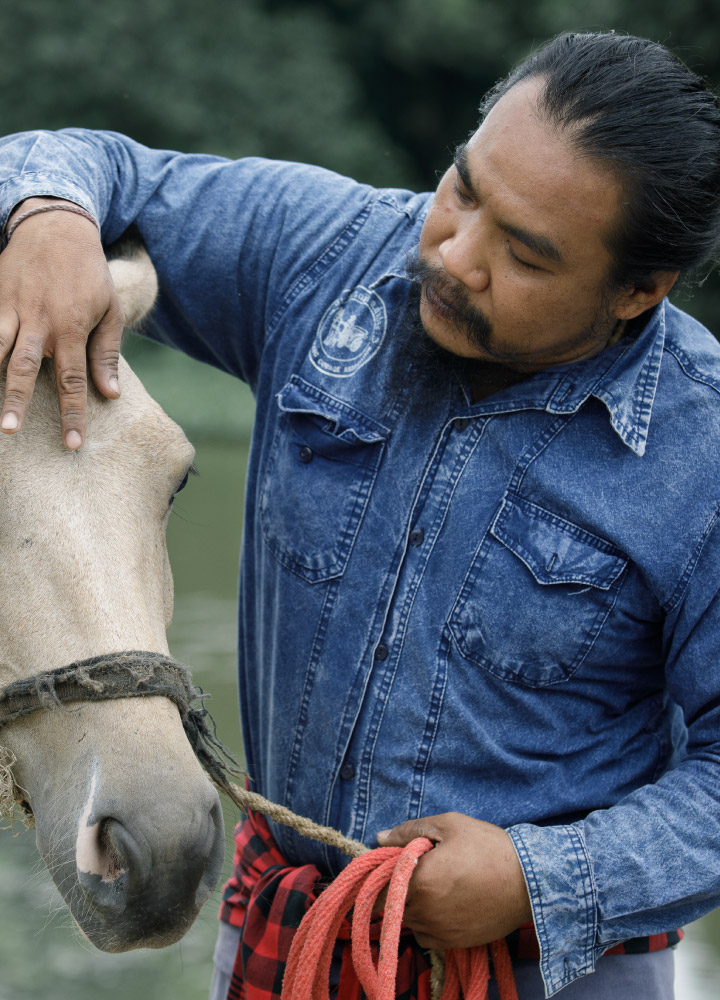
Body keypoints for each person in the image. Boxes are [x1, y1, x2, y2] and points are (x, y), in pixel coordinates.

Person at [0, 29, 719, 1000]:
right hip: (285, 938)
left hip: (551, 976)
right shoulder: (324, 255)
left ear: (640, 289)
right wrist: (47, 219)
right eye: (464, 190)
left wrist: (536, 880)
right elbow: (93, 165)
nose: (455, 255)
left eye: (526, 255)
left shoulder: (702, 445)